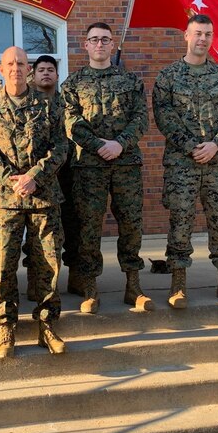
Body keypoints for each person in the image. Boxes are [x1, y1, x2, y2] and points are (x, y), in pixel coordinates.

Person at [152, 14, 218, 308]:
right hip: (182, 164)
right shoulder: (168, 76)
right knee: (180, 222)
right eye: (197, 33)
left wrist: (215, 144)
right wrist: (191, 146)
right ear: (186, 35)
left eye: (208, 34)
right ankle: (178, 284)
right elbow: (163, 116)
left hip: (217, 163)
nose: (203, 39)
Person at [0, 46, 68, 358]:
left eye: (21, 63)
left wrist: (35, 176)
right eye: (10, 63)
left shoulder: (48, 104)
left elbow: (60, 145)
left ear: (29, 69)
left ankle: (47, 325)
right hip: (5, 200)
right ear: (1, 69)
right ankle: (6, 327)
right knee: (3, 266)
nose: (16, 68)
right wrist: (11, 179)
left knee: (48, 264)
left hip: (43, 197)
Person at [61, 22, 152, 314]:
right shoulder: (72, 84)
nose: (99, 45)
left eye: (105, 40)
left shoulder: (131, 81)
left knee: (131, 224)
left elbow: (141, 119)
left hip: (125, 164)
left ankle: (133, 285)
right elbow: (70, 123)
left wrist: (120, 144)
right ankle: (90, 286)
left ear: (112, 45)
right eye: (94, 40)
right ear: (85, 45)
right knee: (88, 226)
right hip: (88, 167)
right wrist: (99, 145)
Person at [23, 55, 81, 300]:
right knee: (36, 231)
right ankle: (35, 279)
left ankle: (75, 275)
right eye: (41, 70)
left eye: (50, 70)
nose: (46, 73)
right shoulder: (25, 103)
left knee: (71, 226)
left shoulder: (67, 103)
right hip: (37, 177)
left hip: (67, 174)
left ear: (57, 75)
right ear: (33, 75)